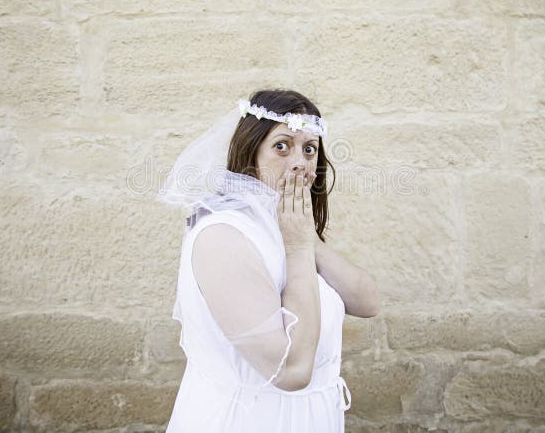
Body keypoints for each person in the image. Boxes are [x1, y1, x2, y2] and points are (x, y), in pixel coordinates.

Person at [158, 89, 380, 432]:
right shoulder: (223, 235)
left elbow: (368, 301)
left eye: (309, 149)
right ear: (251, 151)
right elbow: (290, 371)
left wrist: (305, 240)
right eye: (282, 145)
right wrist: (299, 249)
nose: (299, 162)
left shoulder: (291, 230)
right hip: (249, 420)